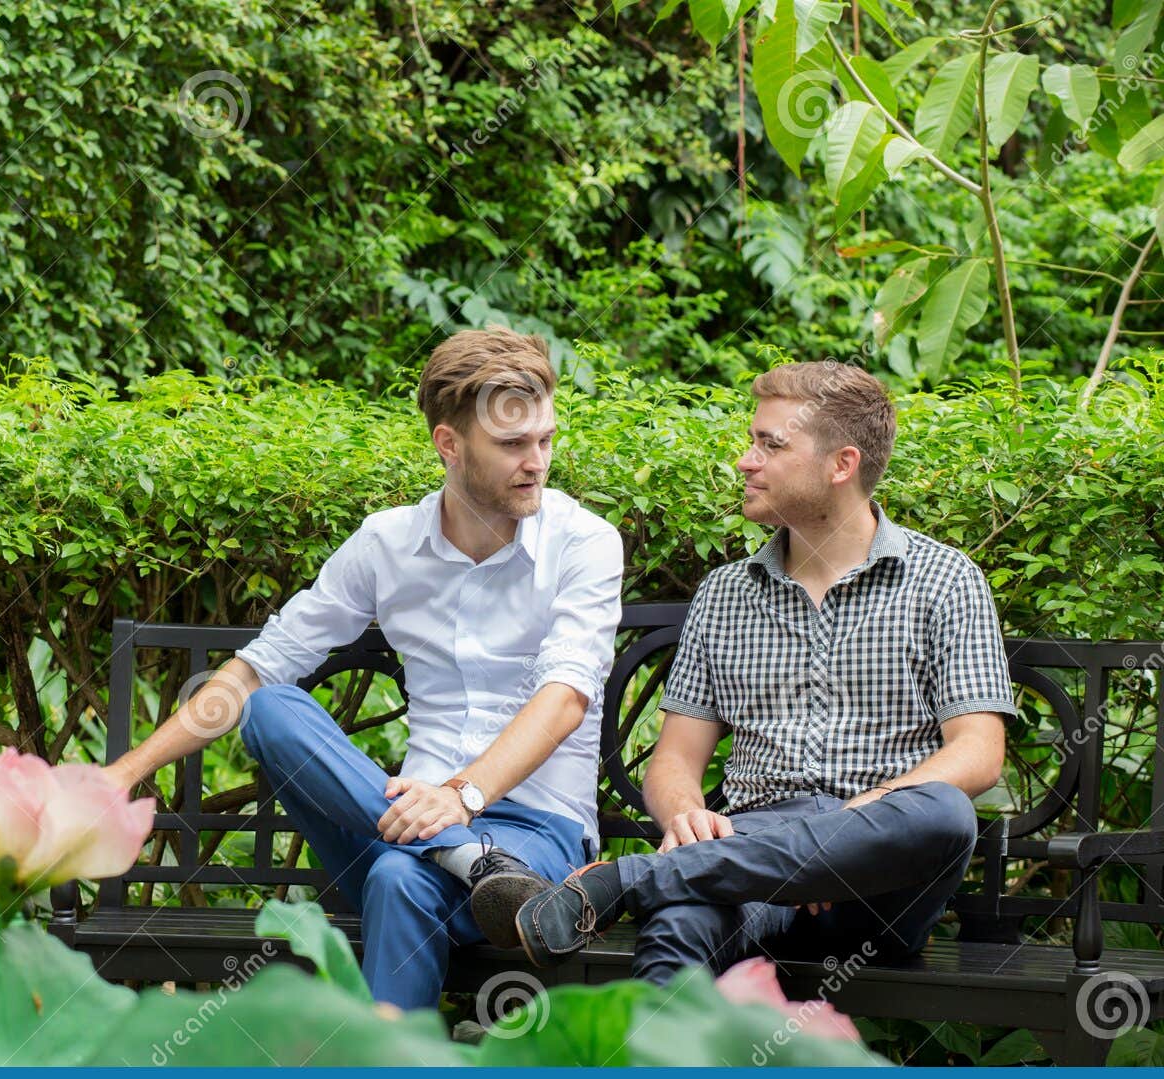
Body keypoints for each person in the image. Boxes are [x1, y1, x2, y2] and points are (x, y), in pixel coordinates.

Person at [99, 326, 624, 1008]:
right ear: (449, 444)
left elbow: (565, 699)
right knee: (268, 707)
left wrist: (458, 797)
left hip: (534, 842)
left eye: (546, 439)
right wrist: (125, 771)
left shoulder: (584, 543)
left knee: (397, 881)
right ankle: (463, 857)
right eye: (514, 445)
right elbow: (257, 669)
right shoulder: (387, 544)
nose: (538, 461)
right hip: (396, 818)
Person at [507, 360, 1015, 982]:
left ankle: (626, 881)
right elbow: (674, 761)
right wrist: (685, 814)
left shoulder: (944, 580)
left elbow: (980, 753)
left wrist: (844, 834)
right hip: (750, 856)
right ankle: (644, 1075)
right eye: (754, 442)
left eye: (770, 445)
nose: (747, 461)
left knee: (944, 814)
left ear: (841, 465)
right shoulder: (725, 593)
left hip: (879, 874)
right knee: (677, 925)